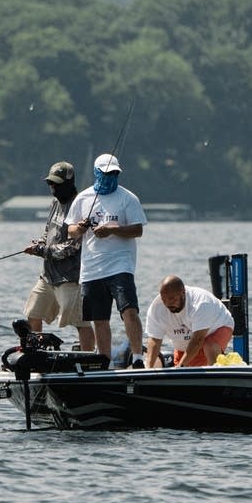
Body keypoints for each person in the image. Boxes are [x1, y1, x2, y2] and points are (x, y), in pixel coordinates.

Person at [66, 153, 146, 366]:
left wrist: (114, 229)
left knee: (129, 310)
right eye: (106, 173)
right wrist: (80, 228)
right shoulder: (83, 198)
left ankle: (138, 357)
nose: (110, 176)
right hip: (92, 268)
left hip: (121, 265)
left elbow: (138, 230)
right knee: (99, 319)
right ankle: (105, 361)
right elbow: (71, 230)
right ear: (96, 173)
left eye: (114, 173)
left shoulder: (128, 198)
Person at [21, 161, 95, 351]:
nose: (52, 187)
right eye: (50, 183)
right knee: (33, 314)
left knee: (81, 322)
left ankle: (89, 359)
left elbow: (71, 247)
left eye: (56, 183)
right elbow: (48, 232)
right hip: (47, 275)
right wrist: (40, 243)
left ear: (69, 183)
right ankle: (37, 353)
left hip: (70, 277)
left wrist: (41, 251)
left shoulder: (79, 206)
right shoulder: (55, 203)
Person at [142, 274, 235, 369]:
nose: (168, 303)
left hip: (217, 327)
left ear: (183, 292)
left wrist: (180, 367)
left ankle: (217, 375)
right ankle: (225, 360)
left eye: (172, 299)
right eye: (164, 299)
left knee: (208, 345)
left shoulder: (201, 303)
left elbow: (198, 340)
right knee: (185, 372)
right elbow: (154, 340)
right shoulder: (156, 308)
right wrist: (148, 368)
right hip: (185, 341)